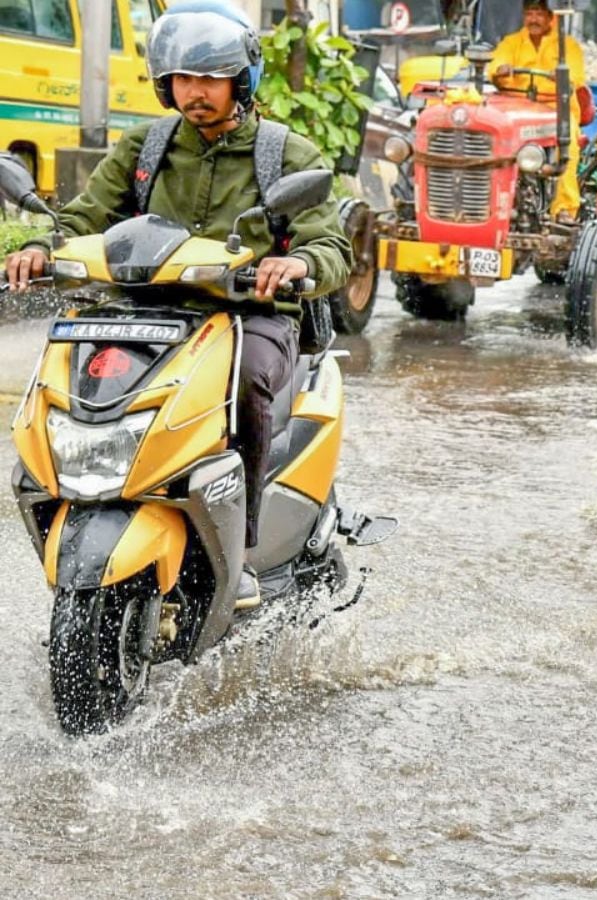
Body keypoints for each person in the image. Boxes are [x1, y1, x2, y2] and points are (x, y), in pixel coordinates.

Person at [3, 0, 351, 607]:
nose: (197, 92)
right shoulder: (145, 148)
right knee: (67, 368)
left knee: (244, 383)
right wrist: (39, 245)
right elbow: (85, 216)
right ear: (167, 85)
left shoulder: (285, 155)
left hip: (250, 318)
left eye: (211, 78)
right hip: (147, 312)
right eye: (184, 80)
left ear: (240, 80)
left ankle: (240, 548)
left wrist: (295, 264)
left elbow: (329, 242)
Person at [489, 0, 585, 223]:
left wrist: (561, 76)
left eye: (539, 13)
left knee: (567, 141)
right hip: (516, 108)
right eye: (529, 13)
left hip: (554, 108)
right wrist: (500, 70)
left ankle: (564, 208)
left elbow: (576, 78)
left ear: (551, 17)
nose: (533, 19)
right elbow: (495, 65)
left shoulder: (568, 46)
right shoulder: (511, 43)